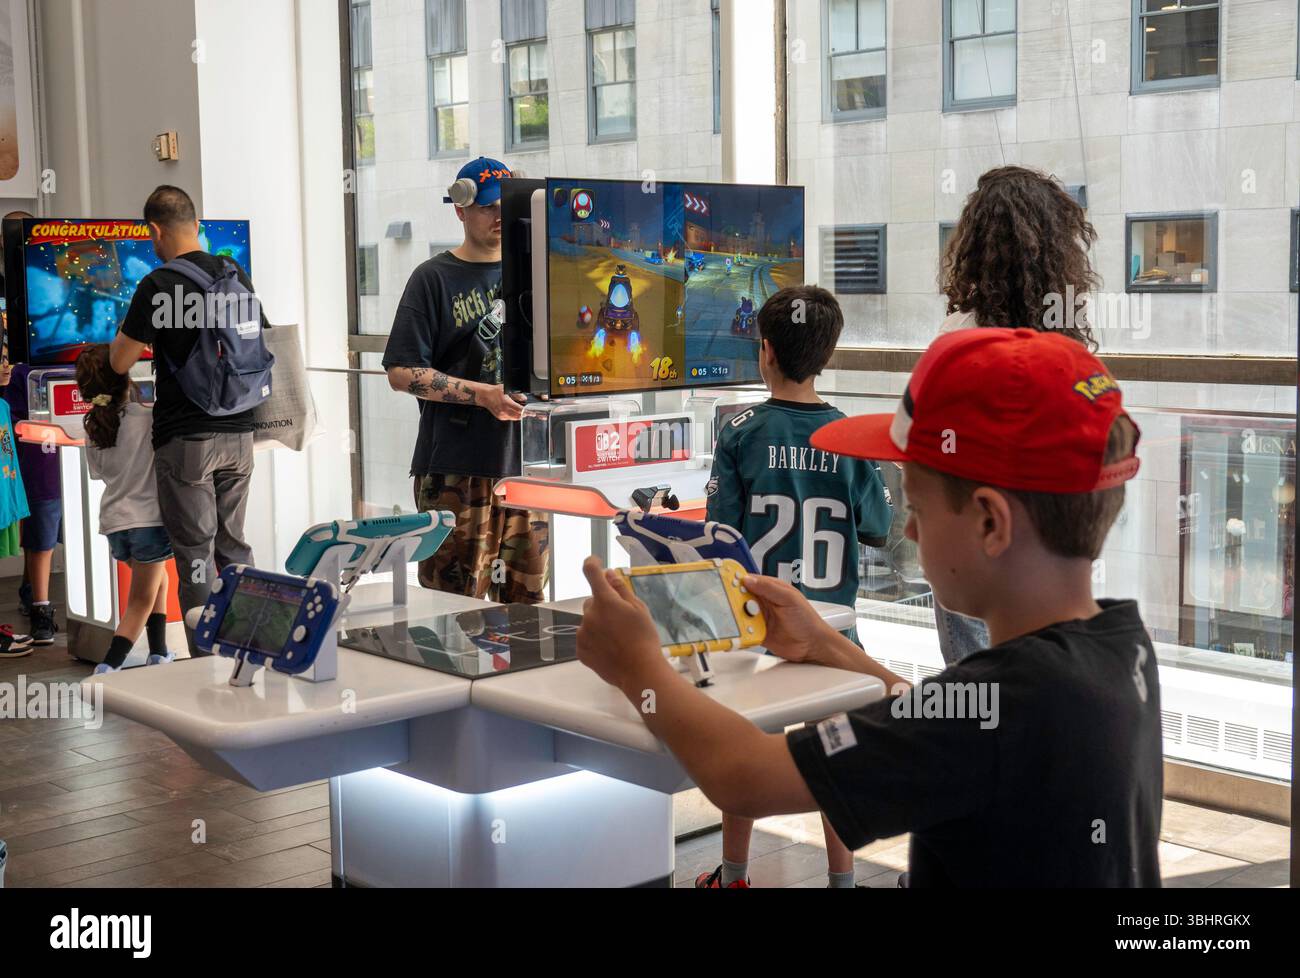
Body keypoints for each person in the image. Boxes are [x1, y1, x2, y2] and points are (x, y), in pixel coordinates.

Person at [576, 328, 1161, 887]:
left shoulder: (1002, 710)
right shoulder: (1118, 646)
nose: (906, 526)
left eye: (918, 509)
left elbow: (743, 777)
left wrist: (639, 668)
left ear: (990, 522)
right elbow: (941, 712)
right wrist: (825, 646)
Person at [697, 284, 895, 889]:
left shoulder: (740, 432)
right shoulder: (850, 436)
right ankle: (842, 882)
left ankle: (733, 876)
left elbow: (719, 533)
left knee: (747, 751)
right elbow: (880, 529)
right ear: (826, 356)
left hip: (761, 628)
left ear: (765, 352)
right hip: (835, 634)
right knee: (837, 754)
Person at [932, 165, 1101, 665]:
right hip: (1052, 536)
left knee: (976, 690)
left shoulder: (958, 337)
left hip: (973, 534)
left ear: (973, 247)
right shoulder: (1069, 344)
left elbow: (928, 447)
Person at [383, 156, 548, 603]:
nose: (499, 216)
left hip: (527, 469)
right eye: (487, 207)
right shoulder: (432, 279)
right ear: (460, 209)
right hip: (455, 471)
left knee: (528, 614)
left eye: (506, 207)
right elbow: (400, 371)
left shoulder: (537, 273)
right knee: (453, 611)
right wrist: (480, 395)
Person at [109, 186, 262, 654]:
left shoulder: (156, 285)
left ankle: (205, 662)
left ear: (154, 231)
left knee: (196, 556)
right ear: (196, 225)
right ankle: (245, 647)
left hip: (186, 437)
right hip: (241, 433)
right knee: (233, 547)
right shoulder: (237, 274)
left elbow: (118, 361)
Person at [75, 345, 175, 674]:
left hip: (115, 524)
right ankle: (109, 665)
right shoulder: (148, 418)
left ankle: (159, 652)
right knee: (139, 602)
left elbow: (99, 473)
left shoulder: (93, 427)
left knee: (157, 581)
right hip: (148, 521)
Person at [1, 210, 62, 647]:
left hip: (44, 416)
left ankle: (39, 603)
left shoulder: (53, 289)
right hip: (6, 415)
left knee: (43, 505)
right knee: (11, 508)